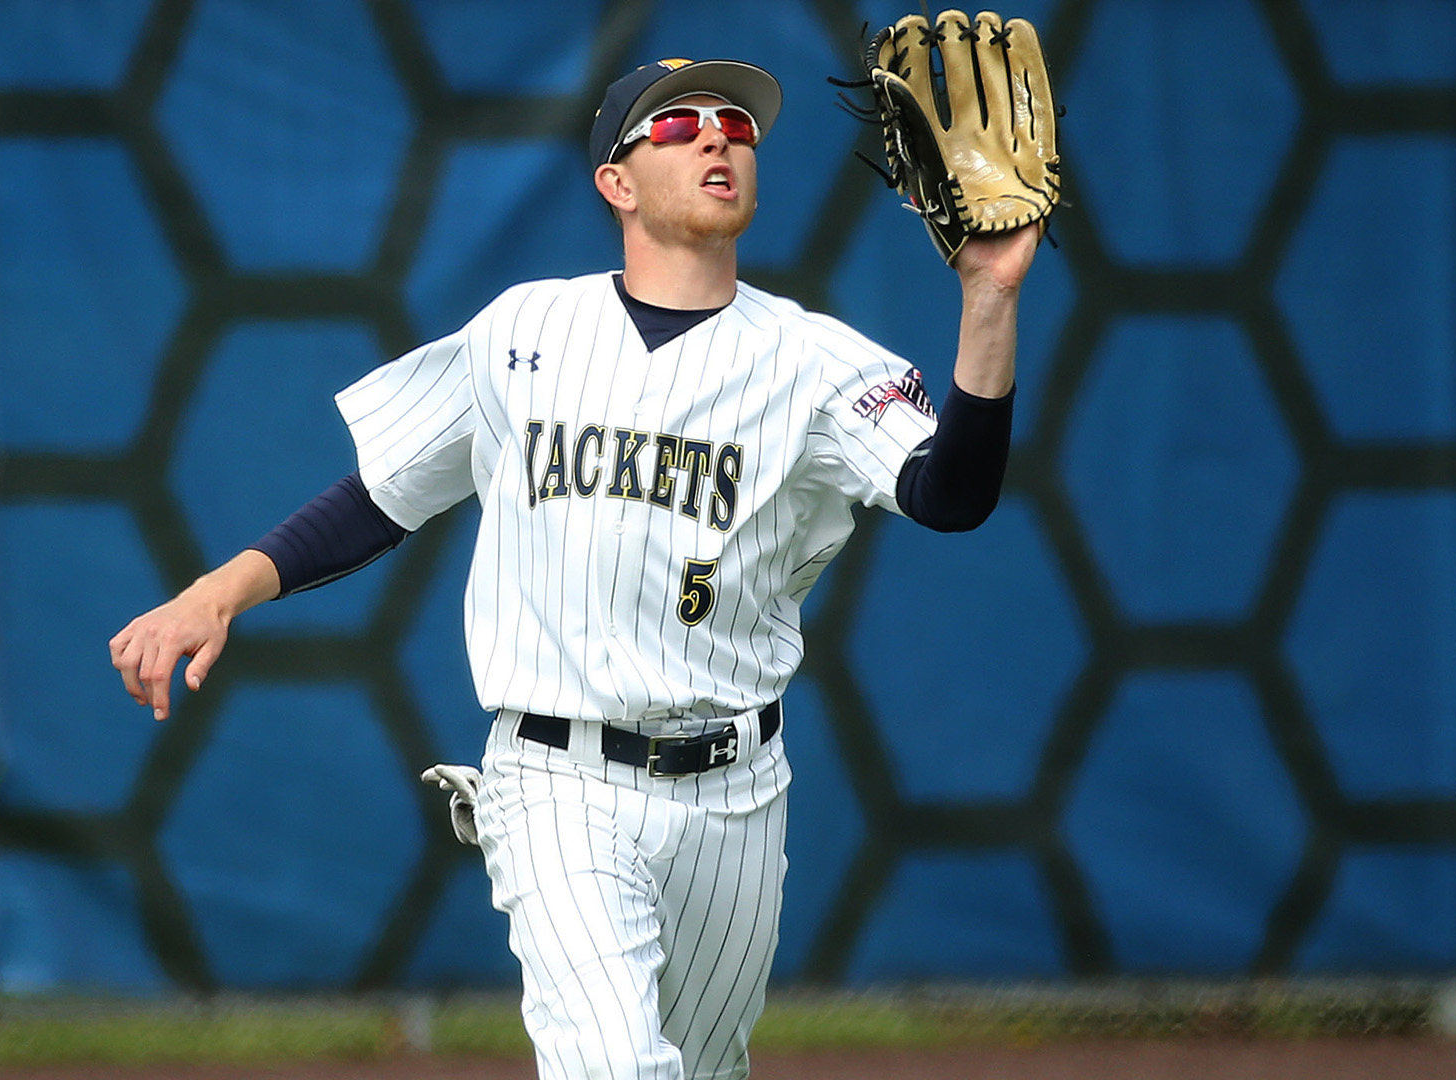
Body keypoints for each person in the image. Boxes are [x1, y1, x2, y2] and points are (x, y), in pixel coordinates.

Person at [110, 56, 1040, 1080]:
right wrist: (215, 592)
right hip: (557, 778)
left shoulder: (815, 362)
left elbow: (951, 496)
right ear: (617, 181)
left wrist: (987, 300)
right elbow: (382, 494)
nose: (719, 135)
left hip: (737, 794)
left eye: (735, 122)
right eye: (678, 127)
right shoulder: (526, 332)